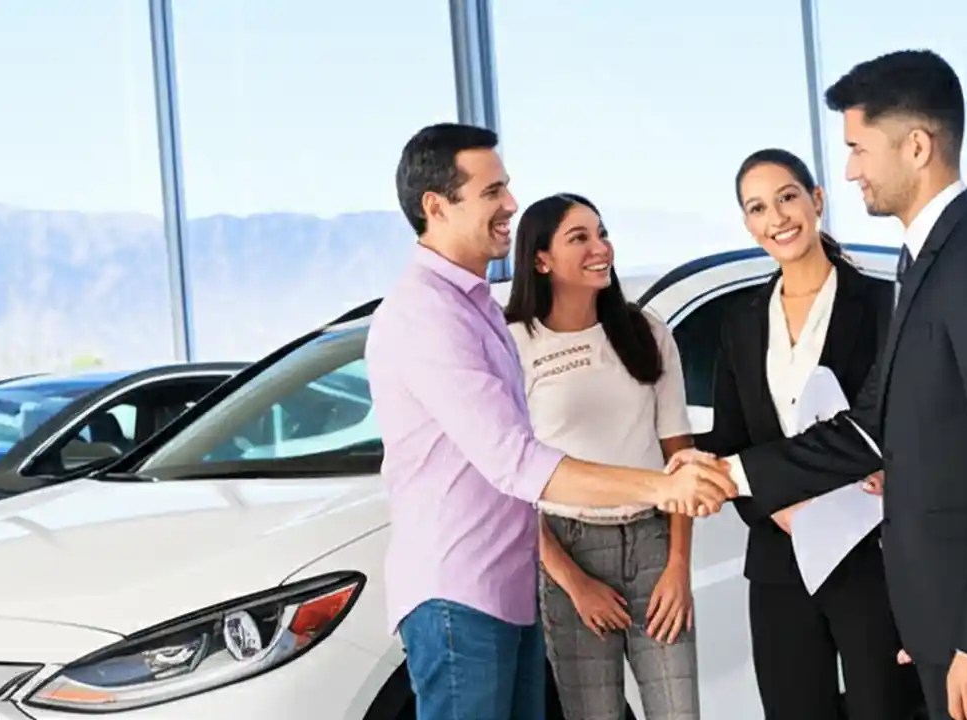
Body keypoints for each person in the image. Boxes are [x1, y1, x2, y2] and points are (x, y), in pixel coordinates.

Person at [668, 50, 967, 720]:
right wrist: (732, 473)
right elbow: (871, 426)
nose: (849, 169)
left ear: (917, 146)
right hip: (947, 621)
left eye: (858, 148)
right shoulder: (925, 262)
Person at [367, 123, 737, 720]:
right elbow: (516, 461)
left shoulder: (476, 307)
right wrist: (663, 485)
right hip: (459, 595)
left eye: (506, 188)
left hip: (507, 594)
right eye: (491, 192)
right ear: (435, 206)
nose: (510, 204)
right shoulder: (426, 316)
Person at [693, 149, 920, 719]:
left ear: (816, 201)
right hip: (778, 559)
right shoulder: (741, 321)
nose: (777, 217)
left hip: (870, 556)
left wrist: (896, 464)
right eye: (758, 207)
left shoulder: (881, 304)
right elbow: (729, 440)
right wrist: (778, 510)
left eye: (788, 196)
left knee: (885, 710)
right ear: (748, 223)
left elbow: (909, 416)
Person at [504, 193, 701, 720]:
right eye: (580, 237)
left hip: (654, 544)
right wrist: (572, 582)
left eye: (602, 233)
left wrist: (679, 565)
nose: (601, 248)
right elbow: (513, 476)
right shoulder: (514, 343)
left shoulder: (646, 332)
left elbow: (678, 452)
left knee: (679, 712)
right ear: (540, 259)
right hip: (567, 548)